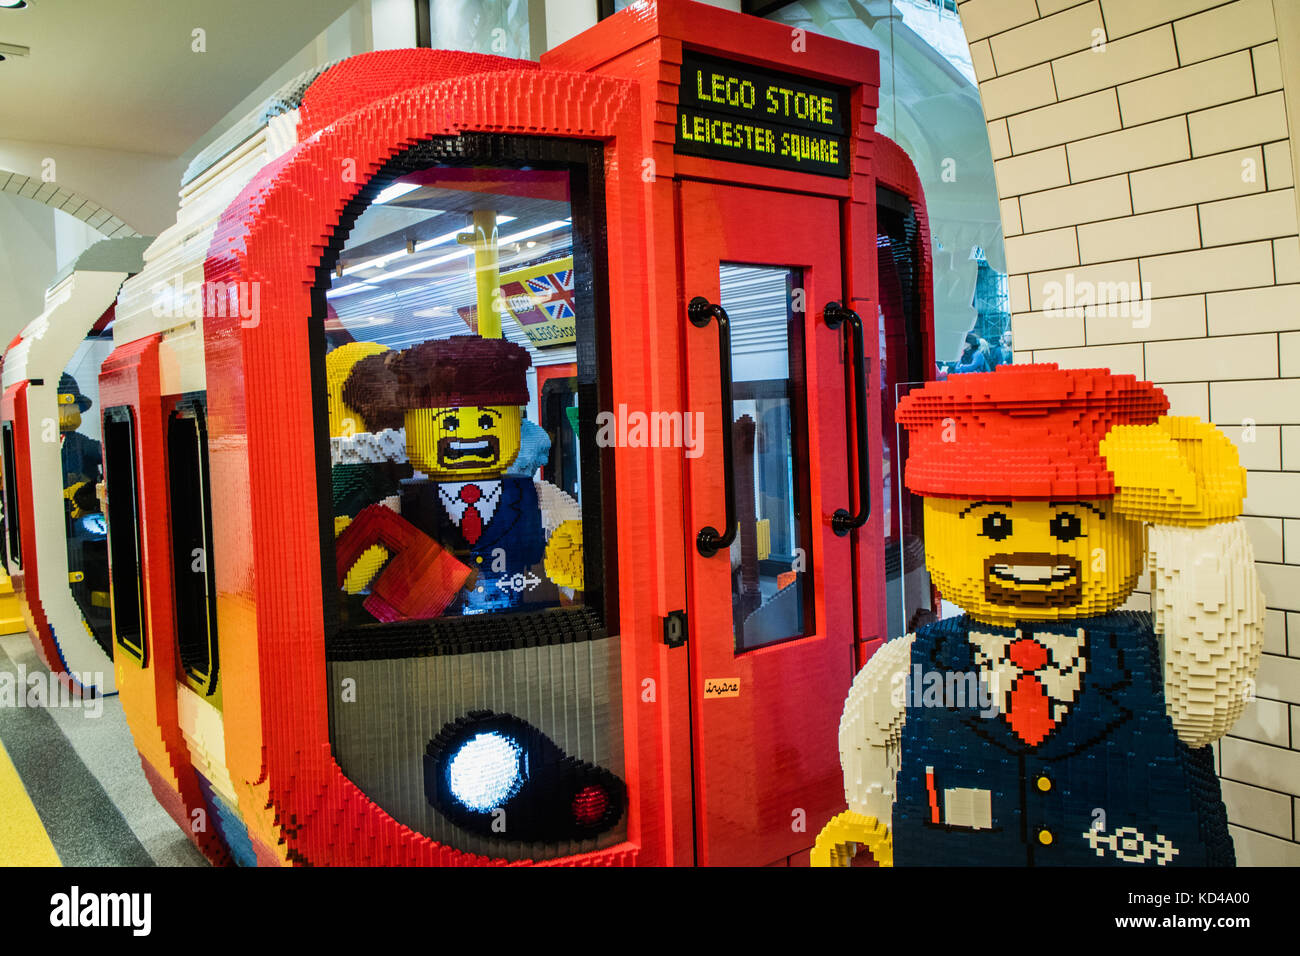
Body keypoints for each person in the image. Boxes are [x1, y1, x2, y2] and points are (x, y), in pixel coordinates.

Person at [813, 363, 1263, 866]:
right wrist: (872, 820)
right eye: (997, 525)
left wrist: (1200, 527)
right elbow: (869, 735)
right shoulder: (912, 666)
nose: (1032, 556)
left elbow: (1211, 699)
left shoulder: (1156, 662)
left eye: (1069, 525)